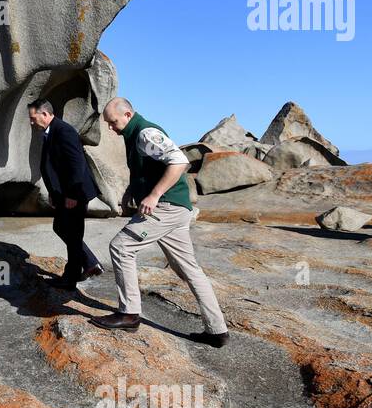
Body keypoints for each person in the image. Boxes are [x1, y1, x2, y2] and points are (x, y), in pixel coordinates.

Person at [91, 97, 230, 347]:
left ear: (128, 115)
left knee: (121, 247)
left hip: (166, 207)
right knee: (188, 269)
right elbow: (147, 169)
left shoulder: (146, 133)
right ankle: (217, 330)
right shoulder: (134, 134)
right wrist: (130, 193)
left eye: (113, 122)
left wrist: (154, 195)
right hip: (176, 209)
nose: (110, 128)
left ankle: (129, 314)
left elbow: (179, 162)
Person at [27, 99, 103, 290]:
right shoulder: (51, 131)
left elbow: (76, 165)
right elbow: (54, 166)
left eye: (33, 118)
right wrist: (54, 193)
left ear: (45, 114)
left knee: (70, 231)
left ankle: (72, 277)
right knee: (64, 228)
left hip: (74, 193)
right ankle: (88, 264)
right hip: (65, 193)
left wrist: (72, 195)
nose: (31, 122)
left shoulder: (64, 130)